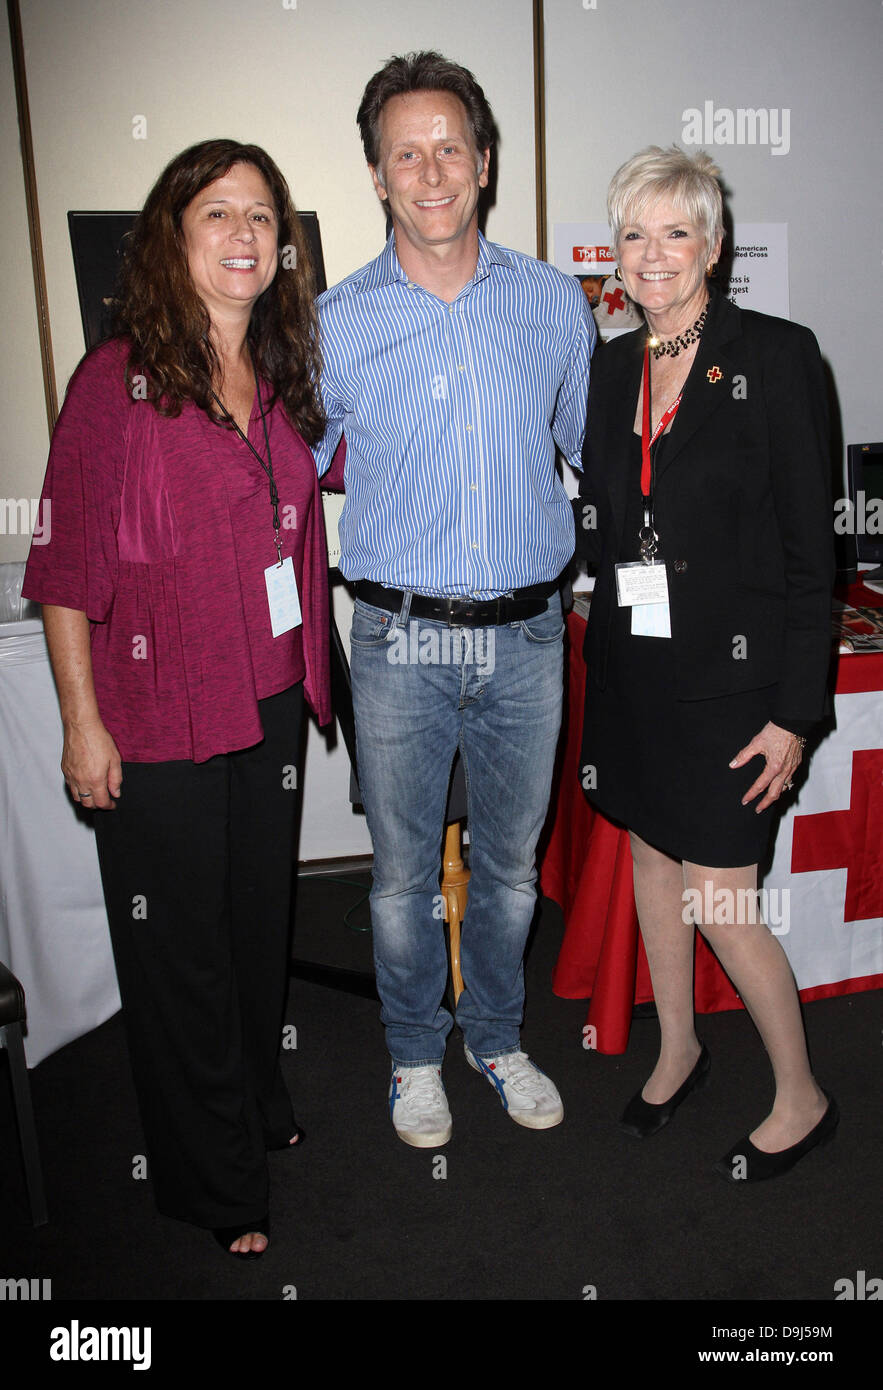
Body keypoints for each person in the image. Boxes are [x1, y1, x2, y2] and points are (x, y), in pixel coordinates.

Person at [23, 139, 330, 1253]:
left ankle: (254, 1101)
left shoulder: (282, 369)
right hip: (155, 717)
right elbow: (62, 565)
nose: (245, 233)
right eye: (217, 213)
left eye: (262, 216)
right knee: (181, 952)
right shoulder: (117, 379)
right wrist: (80, 721)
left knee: (256, 930)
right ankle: (214, 1184)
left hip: (267, 704)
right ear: (173, 235)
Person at [313, 51, 595, 1146]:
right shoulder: (336, 322)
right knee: (398, 879)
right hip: (395, 638)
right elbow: (295, 472)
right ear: (378, 177)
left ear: (483, 160)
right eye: (404, 154)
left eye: (449, 148)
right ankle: (410, 1054)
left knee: (512, 865)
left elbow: (587, 452)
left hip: (528, 633)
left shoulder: (551, 304)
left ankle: (496, 1035)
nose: (430, 171)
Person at [576, 145, 837, 1181]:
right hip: (639, 676)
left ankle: (802, 1093)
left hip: (736, 692)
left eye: (673, 232)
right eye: (633, 234)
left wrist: (794, 713)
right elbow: (613, 523)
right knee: (650, 858)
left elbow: (812, 558)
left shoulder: (775, 357)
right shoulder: (607, 367)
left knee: (722, 898)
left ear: (713, 247)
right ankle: (677, 1044)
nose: (651, 255)